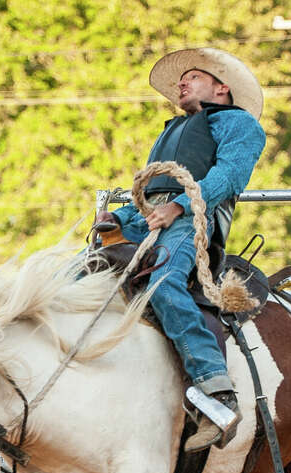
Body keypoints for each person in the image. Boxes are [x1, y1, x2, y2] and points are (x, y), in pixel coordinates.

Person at [95, 47, 266, 452]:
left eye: (193, 76)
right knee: (75, 275)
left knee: (165, 282)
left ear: (222, 88)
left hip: (194, 220)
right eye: (181, 80)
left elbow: (228, 176)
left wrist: (180, 206)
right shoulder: (172, 130)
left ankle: (217, 390)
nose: (181, 83)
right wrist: (121, 221)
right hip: (155, 215)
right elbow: (152, 196)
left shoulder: (239, 124)